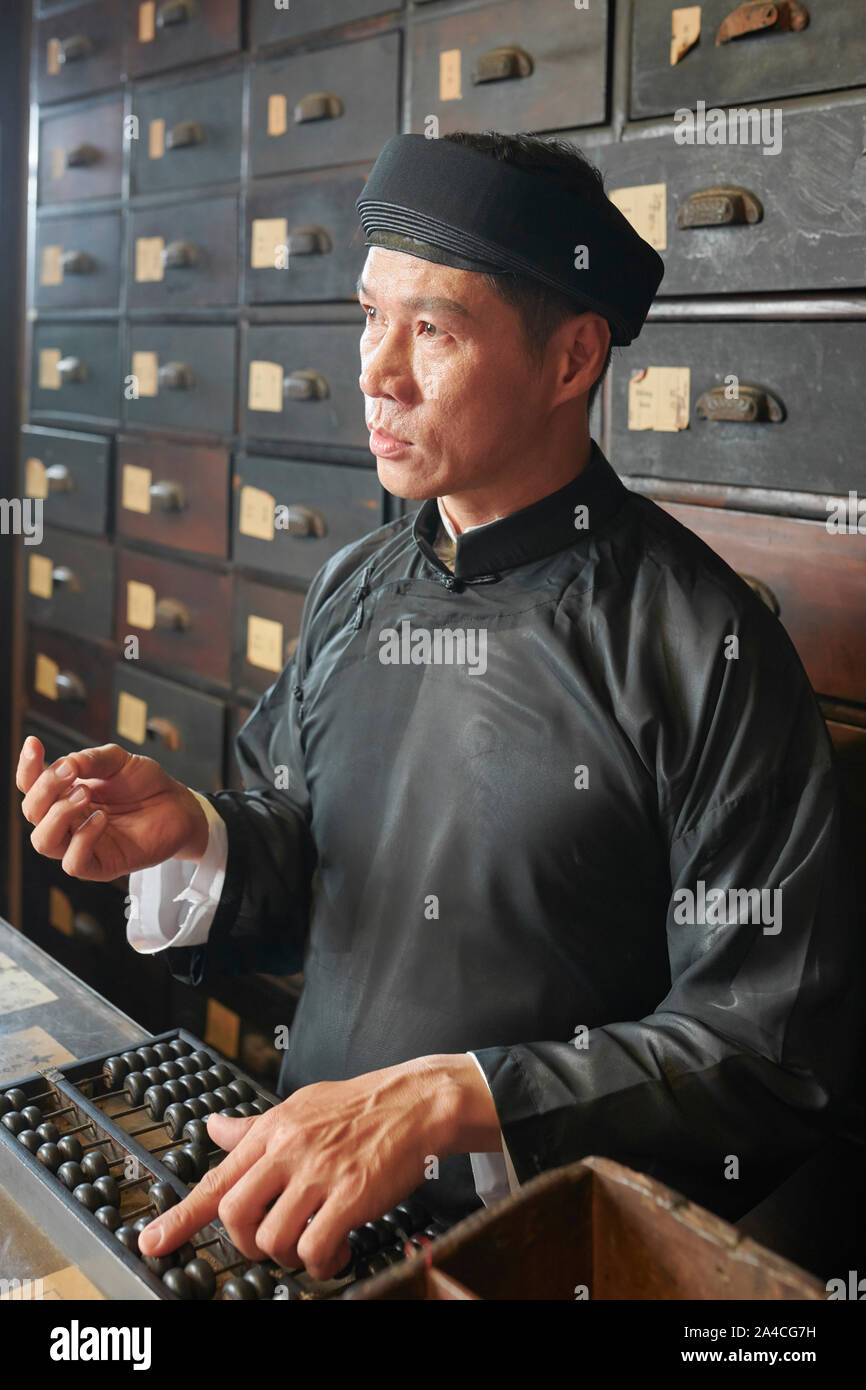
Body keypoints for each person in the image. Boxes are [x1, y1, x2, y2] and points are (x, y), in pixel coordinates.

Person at [17, 132, 858, 1283]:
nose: (375, 370)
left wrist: (453, 1097)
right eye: (369, 316)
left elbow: (765, 1054)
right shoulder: (353, 583)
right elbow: (307, 848)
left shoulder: (702, 646)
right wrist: (200, 839)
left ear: (569, 360)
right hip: (294, 1212)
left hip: (525, 1260)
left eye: (433, 330)